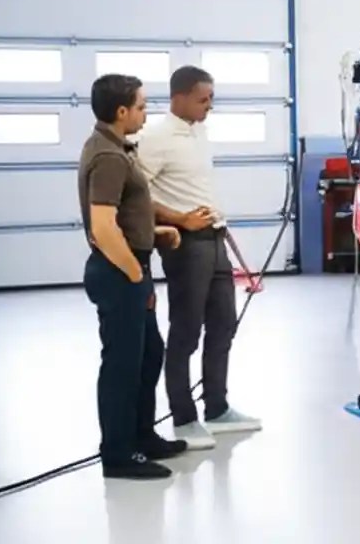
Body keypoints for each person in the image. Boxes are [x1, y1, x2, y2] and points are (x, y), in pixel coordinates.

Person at [136, 65, 261, 450]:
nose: (209, 106)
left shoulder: (198, 131)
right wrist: (180, 219)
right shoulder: (155, 138)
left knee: (224, 322)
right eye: (202, 99)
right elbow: (135, 195)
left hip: (215, 238)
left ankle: (217, 408)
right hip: (186, 244)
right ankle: (184, 416)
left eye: (211, 99)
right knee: (186, 330)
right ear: (179, 97)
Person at [79, 73, 186, 479]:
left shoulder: (117, 148)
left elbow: (124, 215)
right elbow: (103, 228)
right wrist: (136, 274)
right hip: (119, 270)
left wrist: (153, 233)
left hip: (129, 265)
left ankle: (142, 435)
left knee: (148, 354)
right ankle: (118, 454)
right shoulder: (107, 156)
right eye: (141, 106)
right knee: (122, 365)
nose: (145, 112)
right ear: (121, 111)